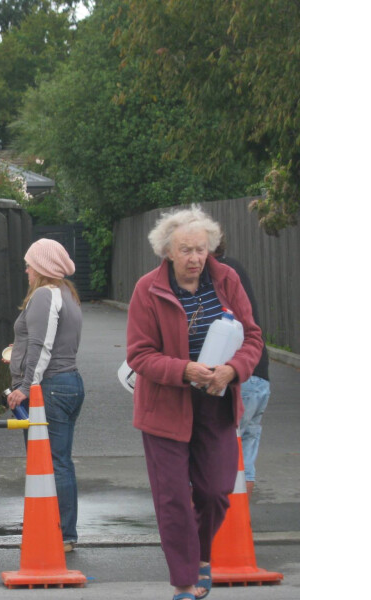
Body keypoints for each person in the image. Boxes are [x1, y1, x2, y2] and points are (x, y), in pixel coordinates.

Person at [126, 205, 263, 600]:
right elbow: (139, 354)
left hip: (216, 403)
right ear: (168, 251)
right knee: (172, 499)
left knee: (216, 492)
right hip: (165, 408)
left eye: (202, 249)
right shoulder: (147, 289)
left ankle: (201, 554)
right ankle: (185, 581)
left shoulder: (226, 280)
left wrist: (232, 370)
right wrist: (184, 370)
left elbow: (253, 338)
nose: (195, 258)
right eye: (186, 250)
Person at [3, 238, 84, 553]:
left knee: (49, 461)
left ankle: (60, 532)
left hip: (49, 386)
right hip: (68, 382)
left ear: (42, 267)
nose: (26, 270)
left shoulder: (43, 296)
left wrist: (25, 386)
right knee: (60, 459)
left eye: (30, 264)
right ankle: (63, 530)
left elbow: (41, 344)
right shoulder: (68, 295)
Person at [212, 238, 271, 497]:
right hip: (260, 373)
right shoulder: (236, 269)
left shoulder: (218, 277)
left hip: (237, 374)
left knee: (222, 446)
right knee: (247, 444)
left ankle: (226, 512)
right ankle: (243, 510)